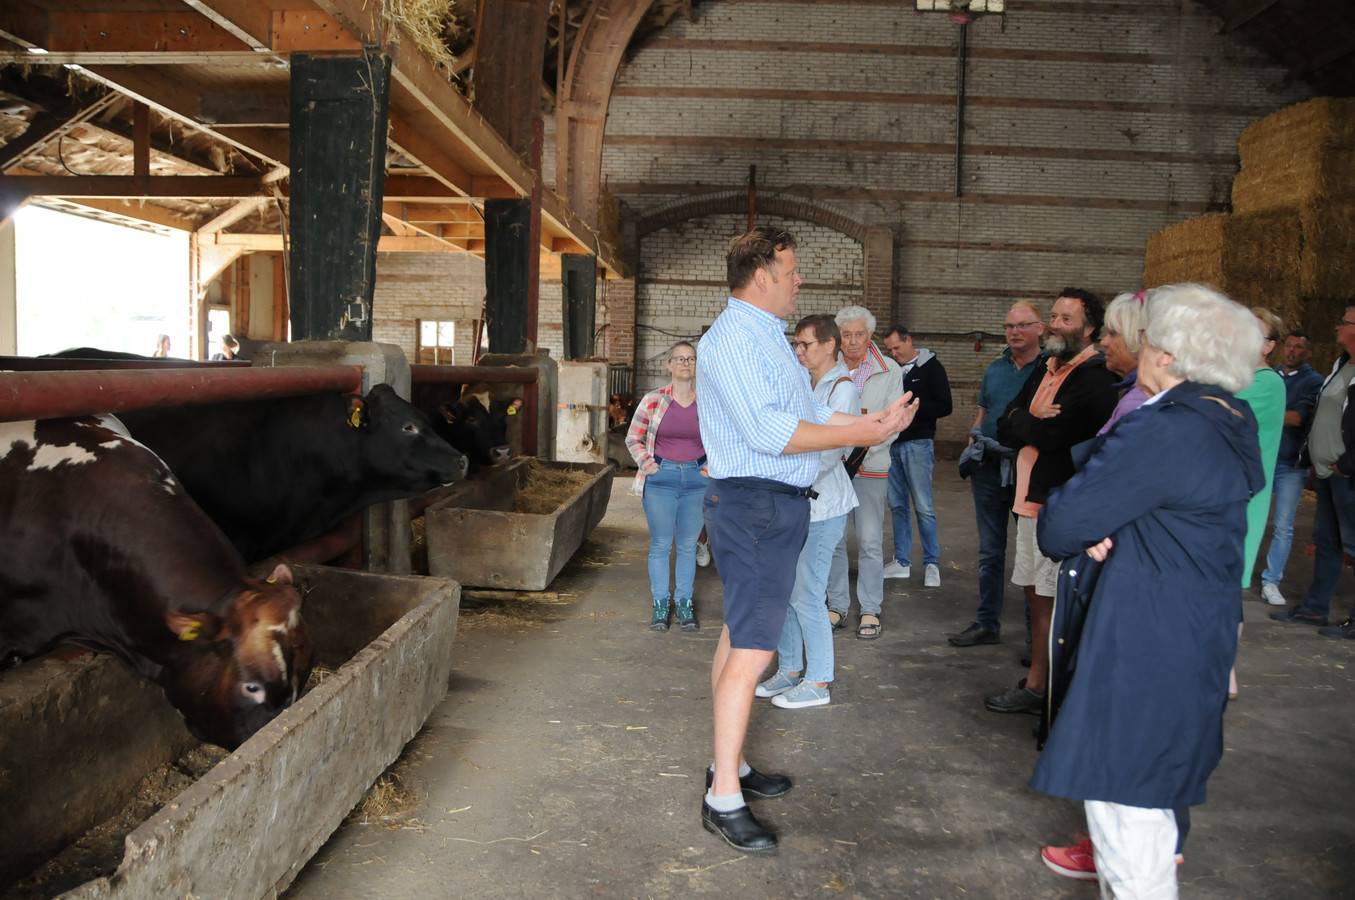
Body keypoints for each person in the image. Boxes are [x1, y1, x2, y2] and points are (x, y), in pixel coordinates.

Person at [1031, 283, 1265, 899]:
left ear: (1167, 356)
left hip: (1148, 639)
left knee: (1126, 810)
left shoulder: (1165, 429)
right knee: (1151, 800)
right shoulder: (1227, 418)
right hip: (1194, 629)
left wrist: (1103, 522)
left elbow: (1061, 524)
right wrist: (1122, 519)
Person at [696, 226, 916, 854]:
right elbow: (769, 431)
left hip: (772, 504)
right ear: (761, 274)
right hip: (758, 504)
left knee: (739, 633)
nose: (799, 282)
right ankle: (723, 800)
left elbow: (812, 415)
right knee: (754, 651)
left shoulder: (765, 337)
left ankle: (730, 767)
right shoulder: (735, 339)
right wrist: (863, 434)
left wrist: (872, 423)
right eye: (791, 270)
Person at [985, 288, 1118, 714]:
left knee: (1054, 599)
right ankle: (1041, 682)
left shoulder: (1094, 377)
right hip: (1029, 502)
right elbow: (1005, 422)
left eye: (1066, 319)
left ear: (1090, 327)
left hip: (1057, 506)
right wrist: (1026, 420)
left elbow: (1050, 436)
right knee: (1035, 594)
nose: (1057, 325)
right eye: (1056, 317)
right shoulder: (1047, 365)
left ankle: (1047, 689)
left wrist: (1024, 421)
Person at [754, 314, 859, 709]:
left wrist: (782, 472)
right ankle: (791, 669)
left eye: (806, 345)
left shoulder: (843, 389)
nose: (798, 351)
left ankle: (818, 681)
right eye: (796, 345)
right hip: (794, 500)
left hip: (822, 504)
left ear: (830, 345)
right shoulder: (802, 381)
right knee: (787, 591)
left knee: (809, 594)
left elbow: (831, 452)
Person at [949, 301, 1046, 647]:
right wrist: (974, 436)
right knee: (990, 551)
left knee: (1031, 553)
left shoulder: (1050, 370)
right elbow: (983, 410)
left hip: (1029, 470)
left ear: (1040, 328)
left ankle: (1037, 635)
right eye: (1009, 326)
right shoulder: (995, 369)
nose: (1014, 332)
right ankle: (987, 623)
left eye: (1022, 325)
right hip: (989, 468)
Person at [1271, 305, 1355, 639]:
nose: (1337, 327)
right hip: (1328, 475)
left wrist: (1347, 464)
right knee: (1327, 543)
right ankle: (1314, 609)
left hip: (1347, 476)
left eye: (1344, 322)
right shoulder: (1342, 365)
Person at [827, 305, 903, 639]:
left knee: (870, 542)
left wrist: (860, 450)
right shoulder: (829, 369)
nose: (853, 341)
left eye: (860, 334)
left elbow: (893, 422)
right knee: (834, 540)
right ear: (838, 337)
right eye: (847, 335)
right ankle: (837, 606)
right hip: (832, 468)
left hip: (871, 467)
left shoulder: (890, 370)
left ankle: (870, 609)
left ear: (869, 336)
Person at [625, 342, 707, 632]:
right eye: (679, 359)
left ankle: (684, 603)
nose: (686, 363)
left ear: (697, 365)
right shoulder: (653, 400)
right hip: (662, 478)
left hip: (698, 480)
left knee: (687, 546)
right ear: (669, 365)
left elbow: (722, 440)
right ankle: (661, 603)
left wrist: (709, 469)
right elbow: (633, 437)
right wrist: (650, 466)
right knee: (661, 544)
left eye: (691, 359)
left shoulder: (708, 401)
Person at [881, 324, 952, 588]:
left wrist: (912, 410)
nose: (894, 353)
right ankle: (901, 561)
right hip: (892, 444)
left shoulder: (932, 368)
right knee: (897, 505)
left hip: (918, 444)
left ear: (909, 341)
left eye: (897, 348)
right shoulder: (891, 370)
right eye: (889, 350)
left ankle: (931, 563)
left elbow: (945, 405)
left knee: (923, 506)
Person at [1259, 331, 1324, 606]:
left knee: (1284, 526)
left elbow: (1298, 418)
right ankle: (1233, 569)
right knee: (1249, 517)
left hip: (1290, 464)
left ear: (1308, 353)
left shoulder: (1314, 381)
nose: (1292, 351)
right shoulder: (1270, 375)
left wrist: (1258, 411)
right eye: (1288, 345)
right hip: (1262, 458)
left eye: (1299, 347)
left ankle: (1271, 581)